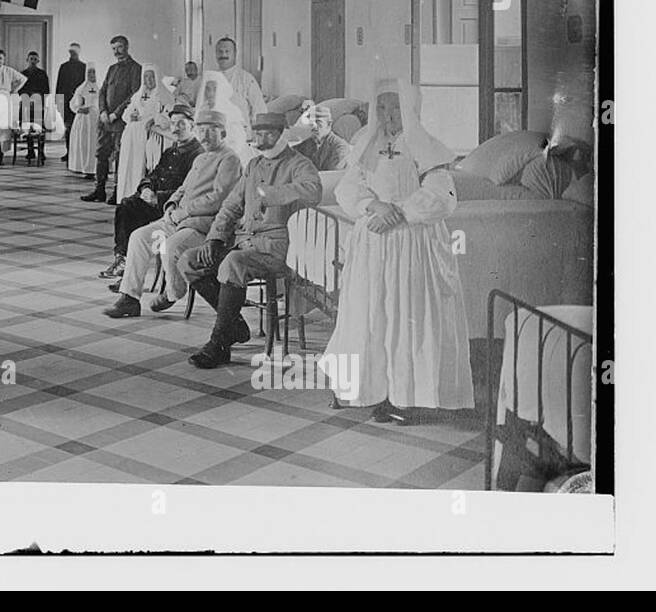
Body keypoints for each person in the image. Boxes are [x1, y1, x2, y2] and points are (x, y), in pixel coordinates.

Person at [318, 79, 473, 423]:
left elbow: (441, 197)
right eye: (383, 107)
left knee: (406, 315)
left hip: (413, 244)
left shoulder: (427, 147)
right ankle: (363, 387)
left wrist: (399, 212)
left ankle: (406, 397)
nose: (388, 115)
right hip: (373, 242)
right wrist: (373, 206)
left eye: (396, 107)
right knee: (369, 312)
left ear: (411, 108)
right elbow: (348, 188)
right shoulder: (366, 144)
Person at [178, 111, 321, 368]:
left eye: (269, 133)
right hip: (244, 244)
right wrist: (215, 238)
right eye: (259, 133)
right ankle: (233, 324)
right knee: (189, 260)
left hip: (277, 249)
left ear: (282, 134)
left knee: (234, 263)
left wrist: (274, 194)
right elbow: (231, 206)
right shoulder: (254, 165)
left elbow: (313, 190)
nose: (262, 139)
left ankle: (219, 344)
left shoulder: (299, 163)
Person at [103, 108, 243, 317]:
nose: (204, 136)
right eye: (201, 130)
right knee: (139, 237)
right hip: (178, 220)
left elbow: (218, 199)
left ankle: (172, 293)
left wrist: (183, 212)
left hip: (203, 226)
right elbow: (183, 189)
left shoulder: (229, 159)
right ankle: (130, 298)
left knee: (170, 247)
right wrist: (170, 205)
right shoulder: (202, 158)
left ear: (222, 133)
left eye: (210, 131)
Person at [98, 103, 203, 281]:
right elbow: (153, 174)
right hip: (156, 202)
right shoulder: (171, 150)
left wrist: (158, 198)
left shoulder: (197, 154)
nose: (175, 129)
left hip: (173, 209)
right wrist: (146, 188)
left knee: (136, 222)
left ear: (192, 126)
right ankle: (123, 260)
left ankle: (131, 271)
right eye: (173, 124)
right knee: (127, 205)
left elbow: (189, 191)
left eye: (181, 125)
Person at [81, 35, 142, 204]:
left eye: (120, 47)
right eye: (114, 48)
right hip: (104, 121)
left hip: (120, 122)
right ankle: (99, 190)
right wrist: (102, 111)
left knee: (119, 156)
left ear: (127, 47)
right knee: (101, 154)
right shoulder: (111, 68)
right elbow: (102, 91)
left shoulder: (136, 69)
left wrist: (116, 113)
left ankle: (117, 191)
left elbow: (134, 95)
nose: (116, 51)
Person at [114, 64, 174, 201]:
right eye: (146, 77)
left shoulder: (163, 95)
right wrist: (130, 115)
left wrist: (154, 119)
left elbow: (168, 117)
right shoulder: (138, 95)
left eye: (152, 76)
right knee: (129, 166)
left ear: (157, 77)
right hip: (132, 136)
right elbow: (125, 114)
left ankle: (141, 197)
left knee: (142, 167)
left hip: (148, 135)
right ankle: (126, 196)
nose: (148, 80)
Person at [199, 37, 266, 126]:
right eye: (220, 51)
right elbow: (202, 107)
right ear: (216, 54)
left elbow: (259, 109)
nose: (223, 55)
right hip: (215, 130)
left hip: (240, 132)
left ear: (235, 54)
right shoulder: (210, 78)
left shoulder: (247, 79)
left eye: (227, 51)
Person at [289, 101, 352, 171]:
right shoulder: (307, 143)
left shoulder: (339, 147)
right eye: (311, 123)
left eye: (318, 122)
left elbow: (333, 176)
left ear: (329, 124)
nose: (314, 127)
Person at [55, 43, 87, 165]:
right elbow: (59, 86)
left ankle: (78, 153)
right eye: (71, 51)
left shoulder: (83, 67)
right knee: (68, 128)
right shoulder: (63, 67)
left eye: (75, 51)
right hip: (65, 102)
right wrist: (58, 103)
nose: (73, 53)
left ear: (79, 51)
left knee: (79, 128)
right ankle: (69, 152)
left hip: (79, 103)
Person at [18, 51, 52, 162]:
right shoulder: (22, 74)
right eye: (31, 59)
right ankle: (30, 150)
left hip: (39, 104)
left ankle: (41, 151)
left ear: (38, 61)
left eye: (35, 59)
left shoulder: (42, 74)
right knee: (27, 127)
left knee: (40, 128)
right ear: (27, 60)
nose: (33, 61)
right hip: (26, 104)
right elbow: (20, 90)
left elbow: (46, 90)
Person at [67, 64, 100, 176]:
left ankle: (95, 168)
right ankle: (82, 167)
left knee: (94, 142)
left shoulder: (100, 87)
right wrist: (79, 109)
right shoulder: (81, 88)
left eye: (93, 72)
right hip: (84, 120)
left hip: (96, 118)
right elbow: (73, 104)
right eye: (89, 72)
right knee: (84, 143)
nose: (91, 75)